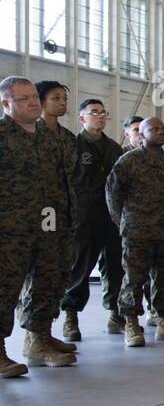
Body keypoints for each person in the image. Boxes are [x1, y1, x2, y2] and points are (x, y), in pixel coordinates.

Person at [0, 76, 74, 375]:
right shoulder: (3, 135)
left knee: (49, 282)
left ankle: (38, 339)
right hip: (10, 230)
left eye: (33, 97)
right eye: (22, 99)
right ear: (6, 103)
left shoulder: (49, 137)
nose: (32, 102)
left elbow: (64, 182)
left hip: (50, 227)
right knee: (5, 288)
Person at [106, 116, 164, 347]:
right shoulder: (129, 161)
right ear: (142, 134)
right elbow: (112, 194)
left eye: (162, 129)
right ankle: (130, 321)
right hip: (137, 230)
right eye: (154, 129)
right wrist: (123, 222)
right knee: (134, 278)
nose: (160, 132)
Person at [60, 97, 125, 339]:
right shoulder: (74, 146)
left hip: (111, 217)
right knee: (80, 268)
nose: (99, 116)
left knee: (115, 267)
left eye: (103, 112)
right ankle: (71, 316)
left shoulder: (113, 148)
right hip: (84, 217)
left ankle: (116, 314)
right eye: (94, 112)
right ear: (82, 118)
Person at [27, 82, 78, 349]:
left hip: (63, 217)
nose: (61, 102)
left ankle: (44, 332)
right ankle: (34, 339)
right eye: (55, 98)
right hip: (37, 218)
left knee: (57, 276)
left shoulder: (68, 138)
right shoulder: (30, 135)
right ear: (41, 101)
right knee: (39, 276)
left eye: (63, 98)